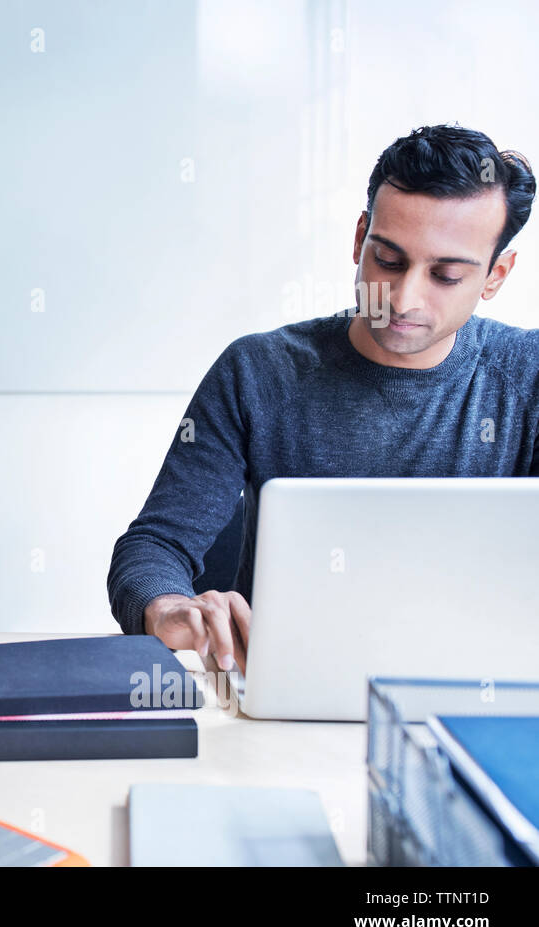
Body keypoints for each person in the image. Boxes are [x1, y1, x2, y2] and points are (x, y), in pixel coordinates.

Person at [108, 125, 539, 674]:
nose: (403, 298)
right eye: (387, 259)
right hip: (281, 691)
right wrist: (168, 607)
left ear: (496, 275)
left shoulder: (527, 376)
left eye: (446, 275)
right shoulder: (259, 371)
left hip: (484, 695)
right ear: (360, 239)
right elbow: (156, 545)